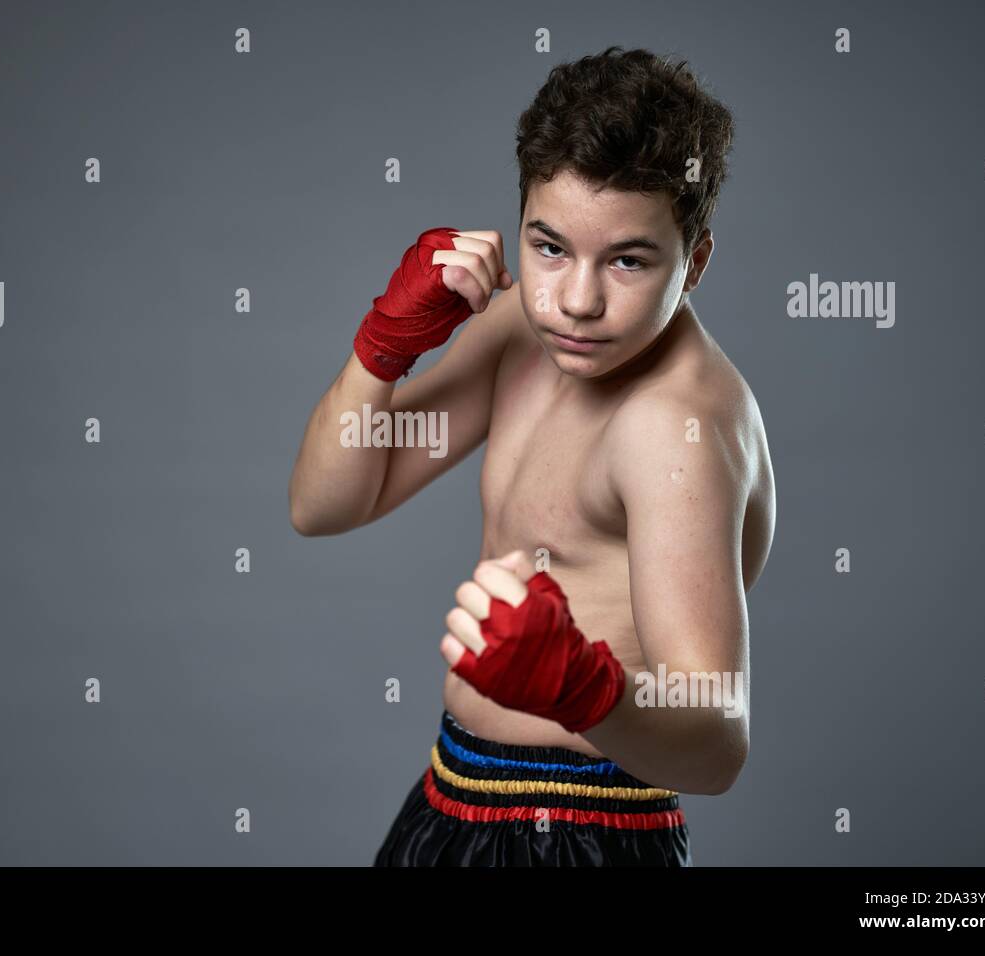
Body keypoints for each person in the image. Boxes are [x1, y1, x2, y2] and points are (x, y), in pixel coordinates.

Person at [288, 46, 774, 866]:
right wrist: (381, 349)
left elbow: (718, 742)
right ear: (519, 222)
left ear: (693, 263)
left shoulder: (675, 428)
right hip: (451, 792)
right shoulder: (525, 330)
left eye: (627, 260)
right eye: (550, 248)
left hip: (586, 834)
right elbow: (328, 503)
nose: (577, 300)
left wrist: (582, 687)